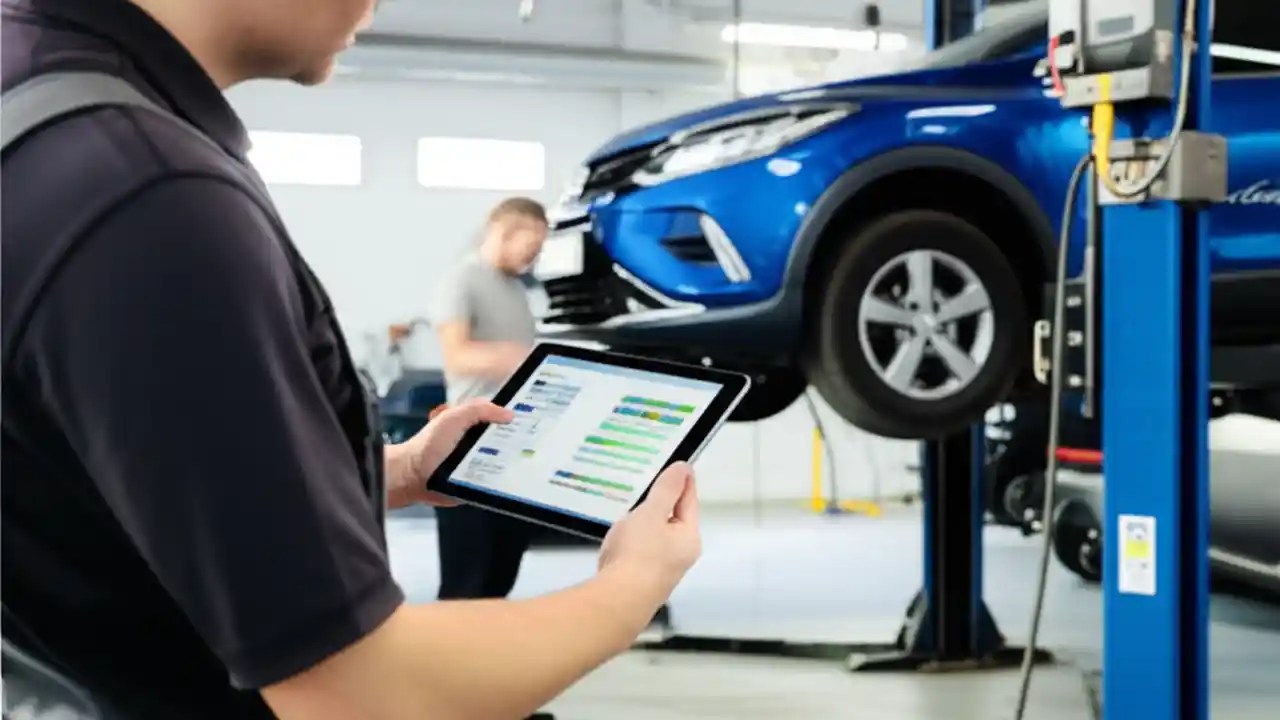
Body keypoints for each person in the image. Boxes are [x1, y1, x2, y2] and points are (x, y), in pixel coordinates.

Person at [0, 2, 702, 720]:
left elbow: (120, 481)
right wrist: (631, 587)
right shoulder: (151, 199)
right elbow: (361, 695)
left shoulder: (41, 97)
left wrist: (399, 469)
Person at [430, 197, 550, 602]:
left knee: (503, 563)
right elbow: (457, 355)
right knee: (468, 573)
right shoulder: (461, 281)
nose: (534, 256)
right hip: (469, 440)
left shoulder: (517, 290)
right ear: (503, 232)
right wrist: (525, 359)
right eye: (530, 246)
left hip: (512, 440)